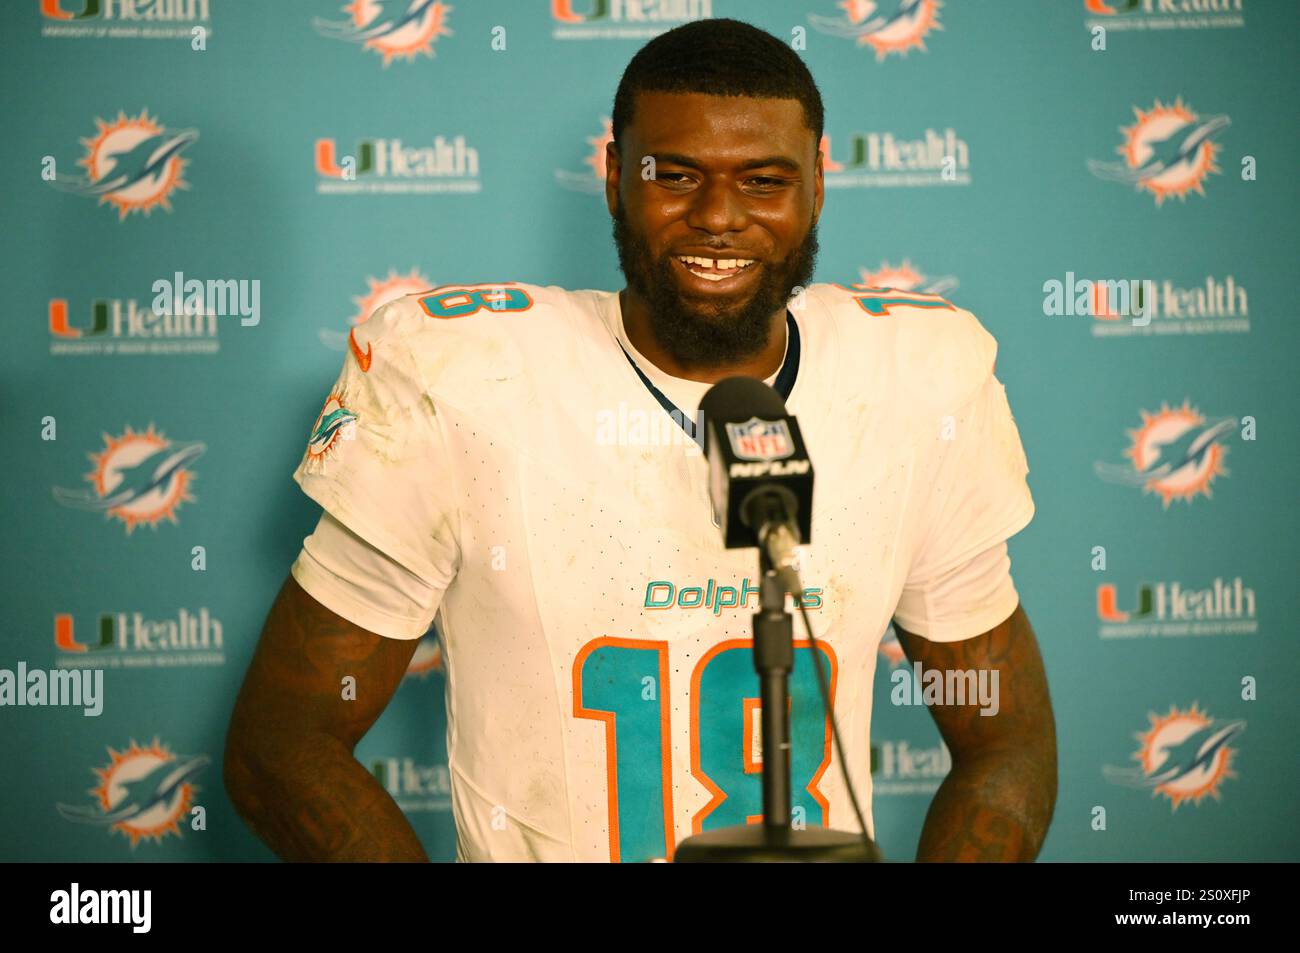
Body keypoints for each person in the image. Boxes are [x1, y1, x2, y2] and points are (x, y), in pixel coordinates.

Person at [224, 17, 1056, 863]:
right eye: (678, 175)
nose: (719, 217)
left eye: (762, 180)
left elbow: (1003, 737)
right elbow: (282, 743)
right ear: (618, 177)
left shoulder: (913, 380)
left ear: (816, 186)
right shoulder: (463, 378)